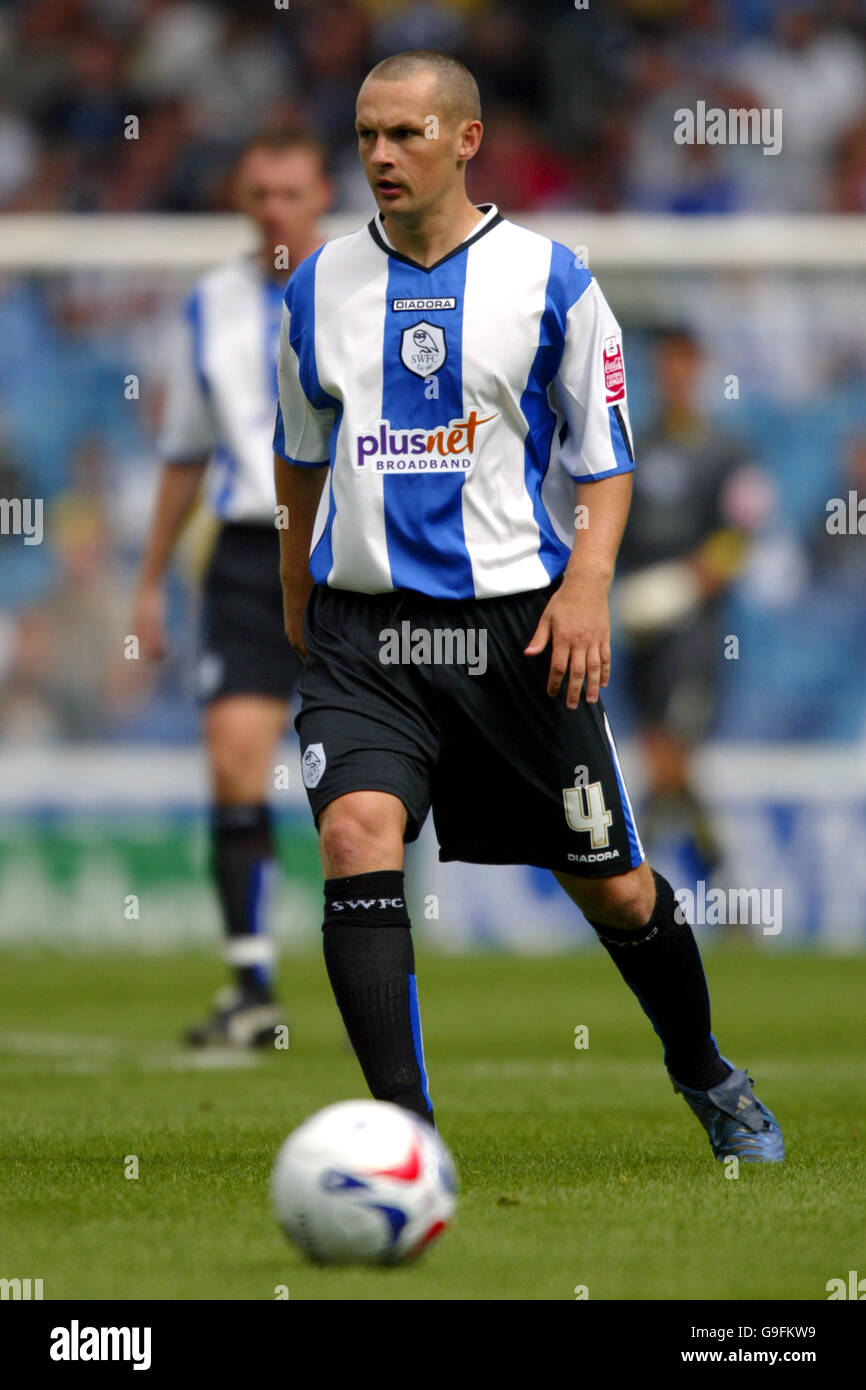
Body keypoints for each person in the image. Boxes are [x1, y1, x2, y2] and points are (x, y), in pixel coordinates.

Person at [272, 51, 784, 1161]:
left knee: (612, 887)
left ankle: (702, 1069)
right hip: (366, 633)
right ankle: (406, 1142)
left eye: (404, 133)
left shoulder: (552, 281)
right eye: (364, 134)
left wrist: (588, 585)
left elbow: (605, 463)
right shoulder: (314, 286)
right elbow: (298, 454)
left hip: (516, 632)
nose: (378, 155)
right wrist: (293, 589)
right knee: (356, 835)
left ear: (465, 140)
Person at [132, 129, 332, 1047]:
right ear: (242, 202)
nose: (275, 209)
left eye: (291, 192)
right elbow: (183, 449)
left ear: (323, 195)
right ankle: (251, 985)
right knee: (231, 759)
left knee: (368, 783)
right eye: (260, 194)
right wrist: (147, 581)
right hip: (249, 555)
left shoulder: (364, 289)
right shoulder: (210, 302)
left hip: (350, 552)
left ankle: (374, 970)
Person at [614, 327, 757, 882]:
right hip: (640, 632)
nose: (675, 375)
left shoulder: (725, 452)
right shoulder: (636, 446)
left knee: (667, 759)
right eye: (666, 364)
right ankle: (725, 888)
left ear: (698, 370)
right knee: (664, 761)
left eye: (684, 365)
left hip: (696, 633)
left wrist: (682, 585)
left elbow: (741, 534)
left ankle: (634, 881)